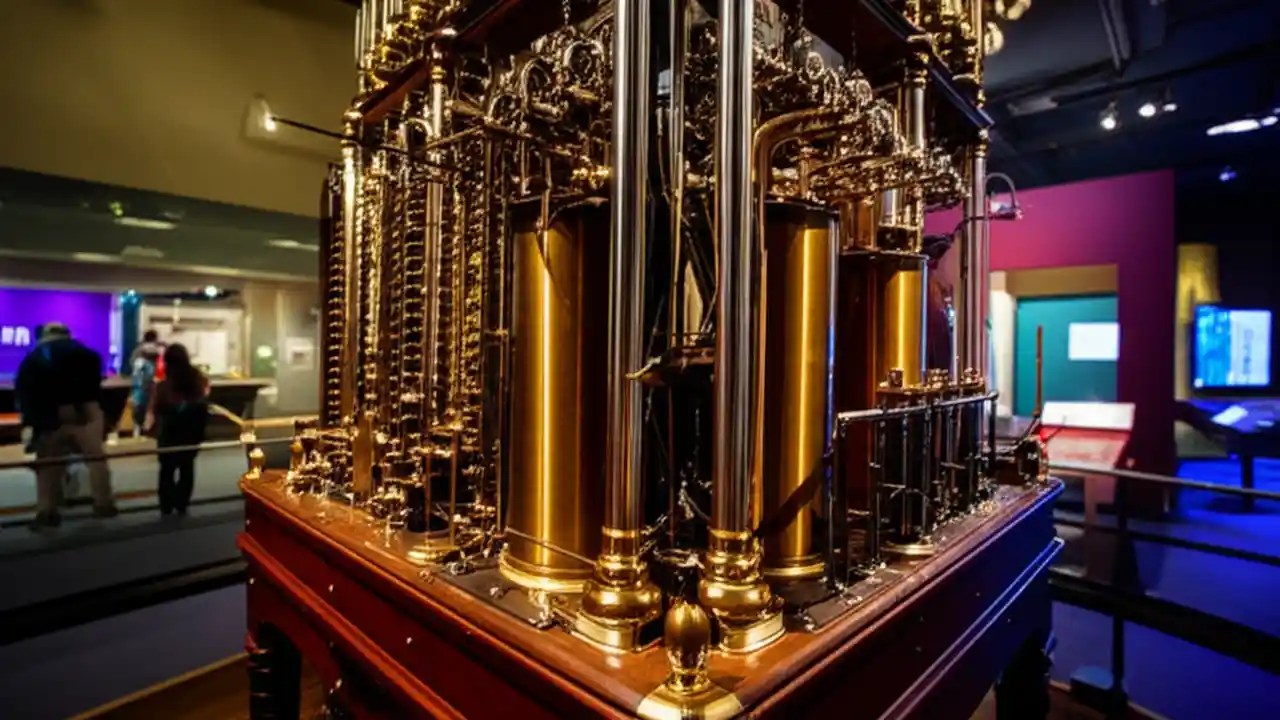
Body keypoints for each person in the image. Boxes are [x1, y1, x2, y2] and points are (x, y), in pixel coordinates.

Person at [15, 322, 117, 529]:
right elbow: (97, 383)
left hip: (53, 415)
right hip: (88, 412)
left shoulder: (35, 357)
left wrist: (31, 421)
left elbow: (26, 391)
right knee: (96, 460)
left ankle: (48, 511)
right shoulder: (89, 354)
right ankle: (103, 503)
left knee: (49, 466)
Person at [145, 343, 209, 516]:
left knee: (166, 470)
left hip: (169, 432)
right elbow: (203, 400)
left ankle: (166, 505)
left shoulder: (164, 385)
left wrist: (152, 426)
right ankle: (182, 503)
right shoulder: (196, 379)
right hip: (191, 431)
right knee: (186, 468)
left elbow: (157, 408)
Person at [129, 329, 164, 436]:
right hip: (155, 385)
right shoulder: (159, 351)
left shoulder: (138, 351)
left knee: (138, 410)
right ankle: (150, 432)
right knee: (153, 410)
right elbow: (161, 370)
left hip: (139, 386)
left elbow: (133, 365)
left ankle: (137, 431)